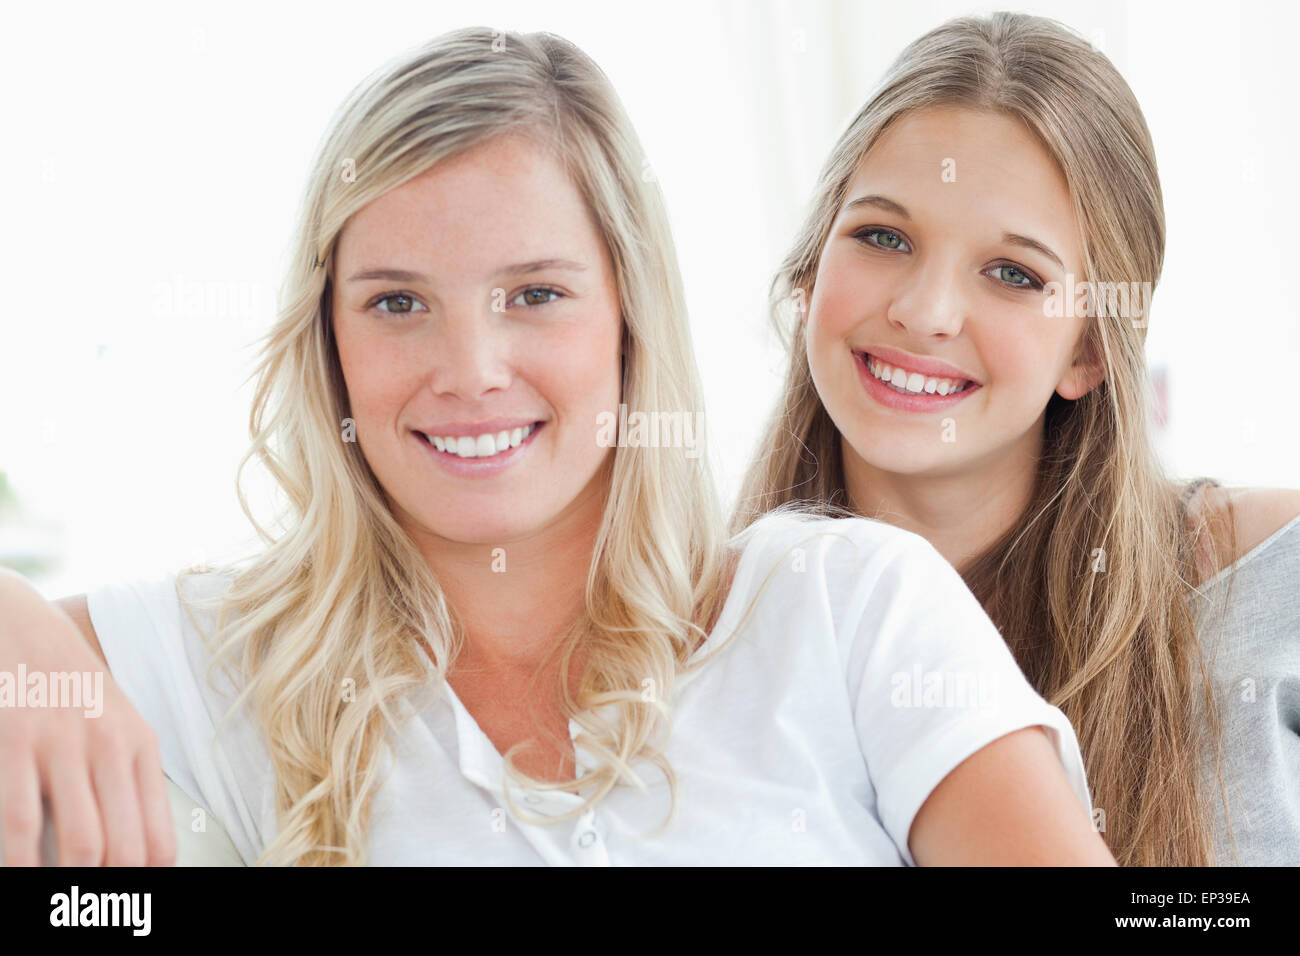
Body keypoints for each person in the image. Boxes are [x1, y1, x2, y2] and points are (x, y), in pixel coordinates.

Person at [0, 26, 1112, 867]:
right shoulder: (243, 662)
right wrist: (14, 616)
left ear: (628, 318)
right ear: (327, 337)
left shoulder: (850, 606)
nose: (471, 367)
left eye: (534, 292)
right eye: (396, 303)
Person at [732, 11, 1300, 866]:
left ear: (1089, 349)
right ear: (811, 273)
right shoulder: (695, 634)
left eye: (1013, 274)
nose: (923, 311)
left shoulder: (1272, 585)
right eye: (883, 236)